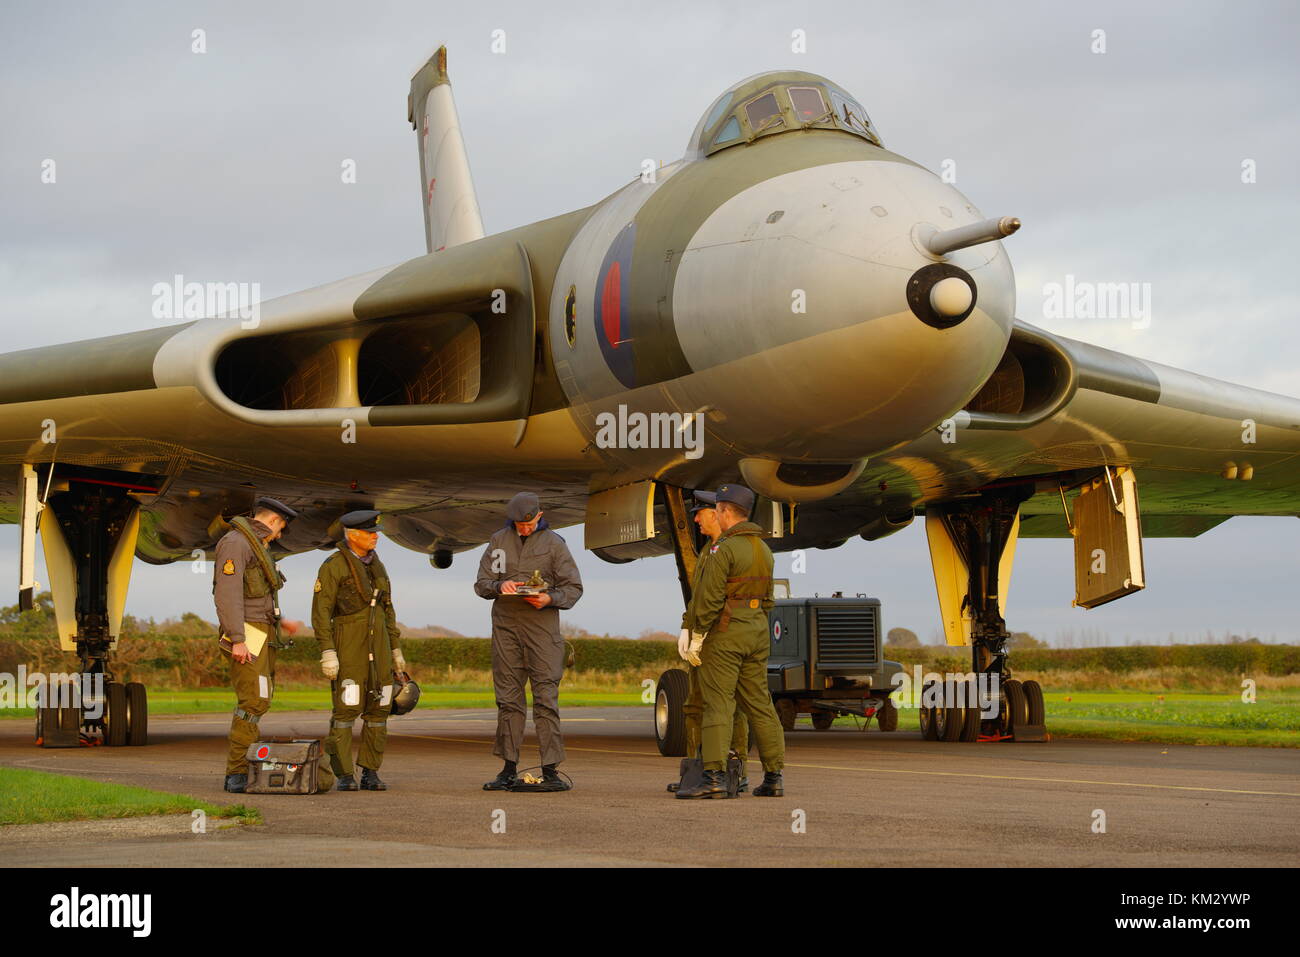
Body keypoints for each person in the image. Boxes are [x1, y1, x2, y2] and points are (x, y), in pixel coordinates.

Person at [676, 484, 786, 799]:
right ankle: (773, 777)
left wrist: (697, 634)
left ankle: (714, 776)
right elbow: (768, 599)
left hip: (726, 634)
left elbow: (709, 599)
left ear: (724, 511)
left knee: (718, 704)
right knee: (760, 704)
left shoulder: (722, 549)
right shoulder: (763, 549)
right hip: (757, 631)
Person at [474, 492, 583, 792]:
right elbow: (481, 584)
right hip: (506, 629)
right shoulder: (498, 541)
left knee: (546, 698)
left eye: (529, 524)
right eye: (519, 525)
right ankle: (508, 769)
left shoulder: (555, 544)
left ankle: (551, 770)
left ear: (539, 516)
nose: (524, 529)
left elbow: (573, 588)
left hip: (542, 630)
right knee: (508, 700)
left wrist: (549, 598)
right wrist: (500, 585)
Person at [312, 510, 404, 791]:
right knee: (346, 709)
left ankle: (370, 772)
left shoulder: (378, 565)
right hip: (349, 645)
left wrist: (396, 649)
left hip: (381, 646)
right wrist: (328, 651)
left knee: (380, 709)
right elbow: (321, 612)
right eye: (369, 532)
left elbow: (388, 610)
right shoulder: (333, 566)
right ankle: (343, 774)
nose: (376, 537)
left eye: (375, 532)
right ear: (352, 535)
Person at [214, 496, 301, 793]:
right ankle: (236, 773)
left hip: (263, 632)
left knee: (260, 700)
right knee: (252, 703)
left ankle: (246, 768)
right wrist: (237, 639)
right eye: (281, 528)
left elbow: (259, 594)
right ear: (274, 520)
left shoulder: (256, 545)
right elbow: (227, 595)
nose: (279, 535)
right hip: (248, 634)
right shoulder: (236, 543)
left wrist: (282, 621)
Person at [668, 490, 750, 793]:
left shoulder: (730, 551)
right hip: (702, 637)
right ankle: (696, 771)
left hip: (721, 638)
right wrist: (687, 627)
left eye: (700, 514)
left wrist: (700, 632)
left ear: (716, 514)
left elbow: (721, 600)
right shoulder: (708, 551)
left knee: (728, 706)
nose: (696, 521)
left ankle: (735, 771)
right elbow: (698, 597)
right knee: (695, 705)